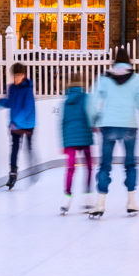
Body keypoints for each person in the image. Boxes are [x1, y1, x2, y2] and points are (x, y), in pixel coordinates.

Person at [89, 48, 139, 216]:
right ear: (129, 61)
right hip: (129, 125)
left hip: (108, 125)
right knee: (130, 164)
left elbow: (93, 101)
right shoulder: (138, 79)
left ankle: (100, 204)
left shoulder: (104, 78)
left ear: (115, 61)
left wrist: (93, 120)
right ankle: (132, 202)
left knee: (105, 165)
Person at [0, 62, 36, 189]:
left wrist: (16, 121)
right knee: (15, 148)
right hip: (15, 125)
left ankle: (32, 167)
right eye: (14, 76)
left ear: (23, 75)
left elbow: (27, 108)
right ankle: (13, 174)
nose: (16, 78)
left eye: (19, 75)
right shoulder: (12, 88)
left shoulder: (28, 89)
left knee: (28, 148)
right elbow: (11, 102)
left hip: (27, 123)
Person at [59, 78, 94, 215]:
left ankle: (66, 199)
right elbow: (90, 115)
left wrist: (64, 142)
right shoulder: (86, 98)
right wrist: (94, 128)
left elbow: (62, 122)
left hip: (70, 140)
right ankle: (87, 197)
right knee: (89, 167)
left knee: (70, 169)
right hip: (84, 137)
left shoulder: (66, 101)